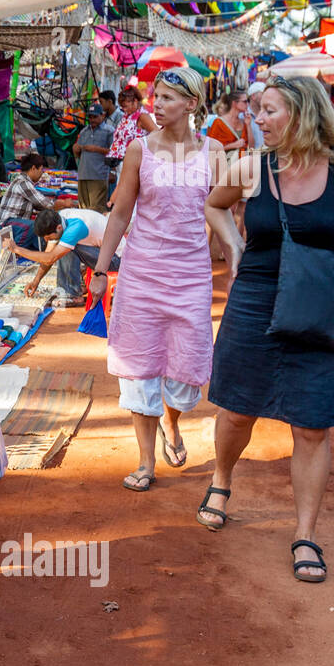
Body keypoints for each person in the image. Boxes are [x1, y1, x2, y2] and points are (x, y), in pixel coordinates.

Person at [203, 76, 334, 582]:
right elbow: (214, 205)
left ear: (302, 113)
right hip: (253, 302)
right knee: (238, 409)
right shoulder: (249, 166)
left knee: (312, 423)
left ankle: (305, 533)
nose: (259, 120)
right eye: (256, 110)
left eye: (268, 111)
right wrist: (234, 246)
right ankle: (222, 479)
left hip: (314, 303)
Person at [87, 67, 223, 492]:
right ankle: (146, 461)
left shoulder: (215, 151)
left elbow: (225, 213)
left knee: (184, 372)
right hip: (142, 274)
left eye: (166, 98)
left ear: (191, 104)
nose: (156, 106)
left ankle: (173, 420)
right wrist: (101, 268)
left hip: (192, 278)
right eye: (155, 98)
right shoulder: (139, 150)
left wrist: (233, 257)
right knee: (139, 365)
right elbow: (121, 212)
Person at [8, 206, 124, 308]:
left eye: (48, 236)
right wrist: (36, 281)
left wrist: (17, 249)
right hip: (102, 252)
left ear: (58, 228)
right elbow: (48, 257)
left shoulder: (75, 227)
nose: (46, 240)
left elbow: (50, 258)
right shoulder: (60, 217)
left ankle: (71, 294)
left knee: (66, 247)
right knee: (63, 246)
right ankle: (76, 286)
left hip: (116, 259)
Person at [0, 151, 70, 250]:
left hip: (16, 224)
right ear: (33, 168)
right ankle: (14, 252)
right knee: (33, 226)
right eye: (41, 170)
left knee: (40, 238)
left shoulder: (25, 183)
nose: (42, 174)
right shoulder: (22, 183)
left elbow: (40, 205)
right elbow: (45, 204)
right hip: (5, 224)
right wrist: (62, 203)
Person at [72, 104, 115, 212]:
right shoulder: (84, 131)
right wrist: (76, 150)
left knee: (97, 209)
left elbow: (115, 153)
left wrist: (96, 149)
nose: (92, 119)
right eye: (90, 117)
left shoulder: (109, 131)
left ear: (102, 116)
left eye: (95, 117)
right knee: (83, 209)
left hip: (99, 175)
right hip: (83, 174)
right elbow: (79, 154)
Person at [107, 85, 159, 165]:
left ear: (135, 101)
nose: (124, 109)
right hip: (122, 162)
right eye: (122, 107)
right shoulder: (127, 116)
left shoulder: (142, 117)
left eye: (125, 106)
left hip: (135, 162)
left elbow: (157, 135)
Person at [245, 81, 266, 149]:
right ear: (253, 96)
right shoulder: (243, 115)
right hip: (250, 157)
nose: (266, 97)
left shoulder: (268, 115)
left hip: (267, 156)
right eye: (263, 93)